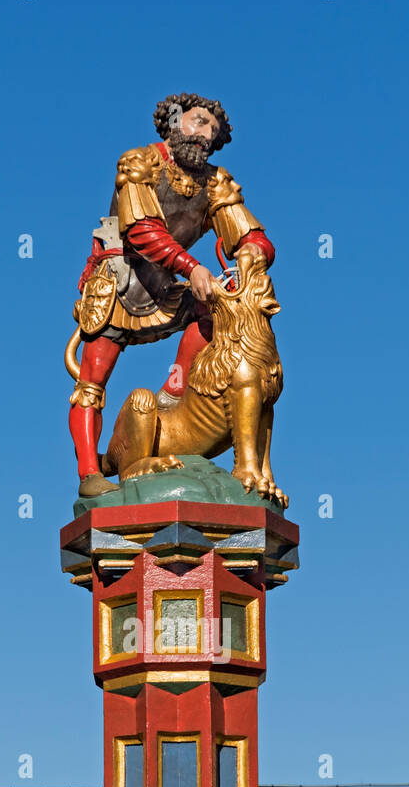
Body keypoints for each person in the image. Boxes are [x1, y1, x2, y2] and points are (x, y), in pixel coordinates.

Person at [69, 92, 275, 497]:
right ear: (173, 121)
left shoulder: (215, 182)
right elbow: (142, 230)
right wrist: (194, 267)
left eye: (212, 132)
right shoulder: (140, 162)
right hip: (119, 279)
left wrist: (252, 252)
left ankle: (176, 390)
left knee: (216, 313)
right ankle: (90, 473)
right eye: (198, 123)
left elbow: (253, 236)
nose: (204, 136)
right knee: (93, 380)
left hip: (166, 284)